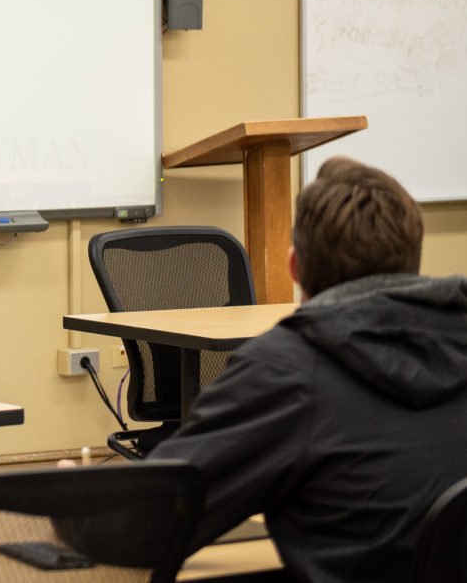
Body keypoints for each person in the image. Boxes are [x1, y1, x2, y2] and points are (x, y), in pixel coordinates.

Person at [136, 157, 467, 582]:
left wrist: (75, 503)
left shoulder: (287, 368)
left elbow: (145, 524)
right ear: (414, 259)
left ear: (294, 266)